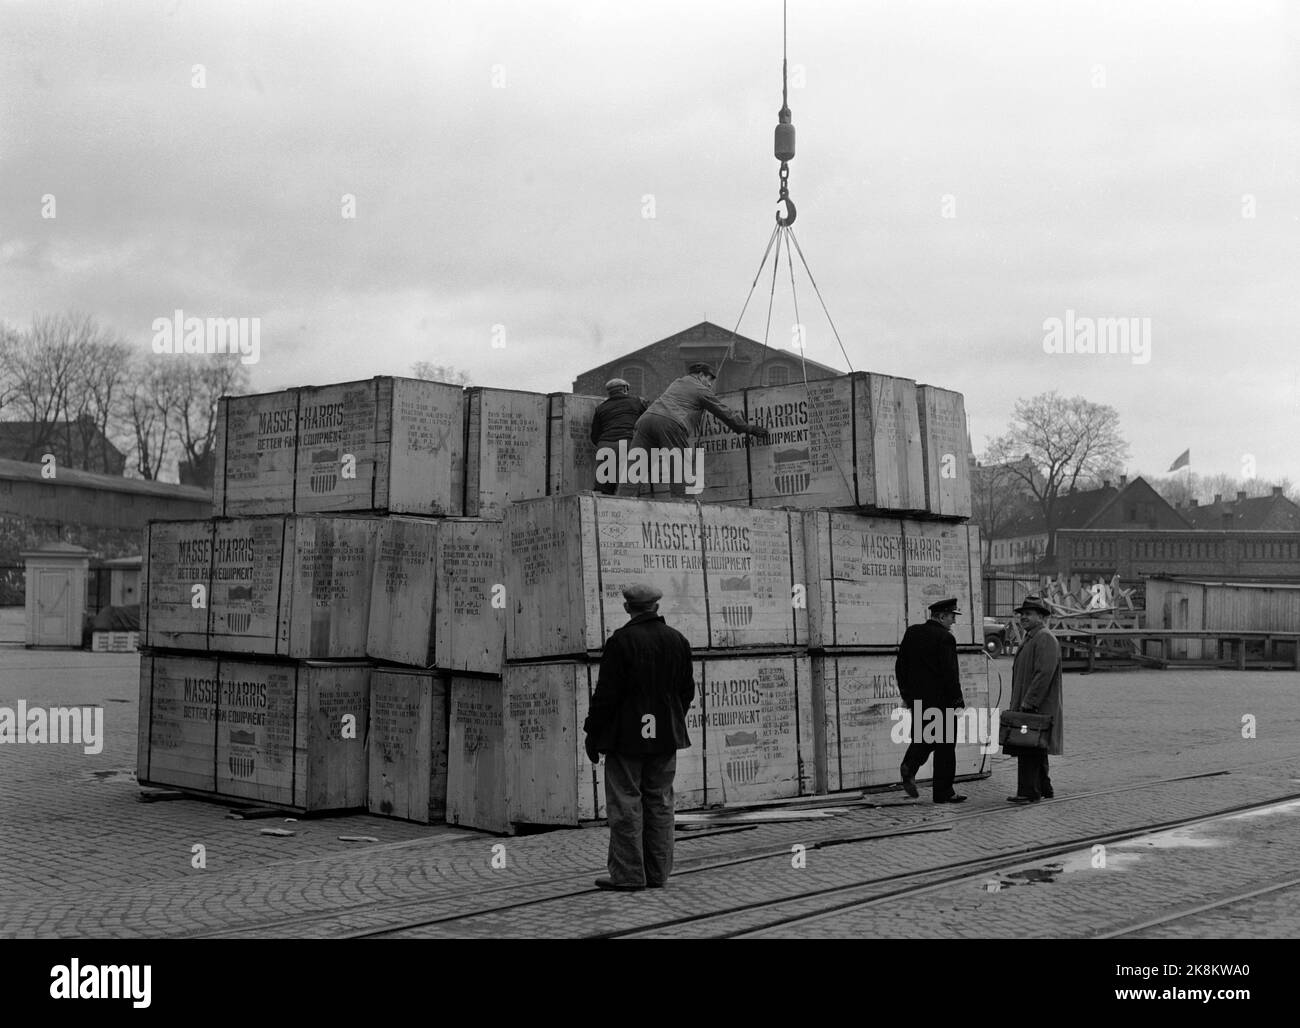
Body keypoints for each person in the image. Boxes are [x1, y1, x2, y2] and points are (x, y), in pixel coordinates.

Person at [582, 583, 696, 890]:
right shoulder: (678, 640)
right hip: (665, 737)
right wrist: (671, 720)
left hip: (626, 738)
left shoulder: (620, 642)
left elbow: (606, 696)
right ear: (657, 608)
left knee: (625, 804)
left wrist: (592, 734)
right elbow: (687, 691)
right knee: (660, 803)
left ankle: (629, 875)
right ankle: (658, 873)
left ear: (627, 608)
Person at [615, 362, 769, 499]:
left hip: (645, 421)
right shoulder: (700, 389)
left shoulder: (677, 383)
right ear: (701, 375)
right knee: (680, 464)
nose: (710, 385)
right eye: (709, 379)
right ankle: (685, 505)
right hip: (670, 422)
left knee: (635, 466)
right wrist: (749, 428)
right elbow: (724, 413)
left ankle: (620, 502)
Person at [895, 597, 967, 803]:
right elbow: (950, 673)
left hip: (918, 700)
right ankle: (943, 792)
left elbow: (901, 667)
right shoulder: (945, 638)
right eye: (952, 616)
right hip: (942, 703)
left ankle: (910, 764)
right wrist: (957, 701)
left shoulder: (912, 632)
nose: (953, 621)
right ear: (942, 616)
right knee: (945, 747)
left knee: (924, 737)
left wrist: (906, 696)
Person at [1006, 595, 1064, 803]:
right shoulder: (1032, 637)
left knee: (1028, 747)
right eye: (1022, 614)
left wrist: (1029, 702)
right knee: (1036, 745)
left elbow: (1043, 674)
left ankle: (1028, 792)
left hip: (1035, 706)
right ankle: (1044, 787)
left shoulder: (1044, 638)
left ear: (1041, 617)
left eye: (1029, 614)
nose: (1023, 618)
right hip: (1030, 704)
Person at [590, 379, 648, 494]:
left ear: (609, 392)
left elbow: (594, 435)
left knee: (604, 487)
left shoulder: (601, 408)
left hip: (605, 445)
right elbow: (646, 424)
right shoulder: (637, 402)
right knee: (629, 483)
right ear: (625, 389)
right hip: (627, 443)